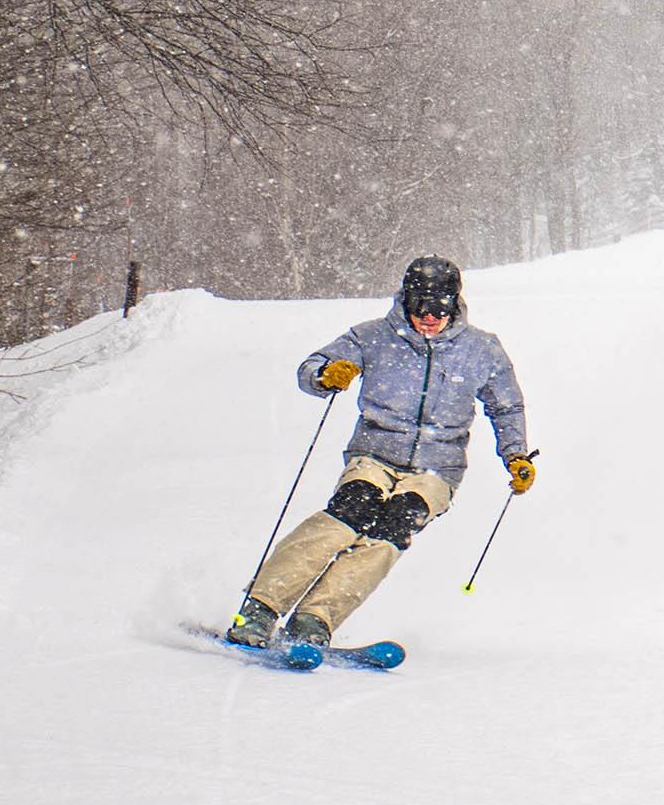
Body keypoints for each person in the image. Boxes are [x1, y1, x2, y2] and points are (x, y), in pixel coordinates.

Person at [227, 256, 533, 649]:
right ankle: (260, 608)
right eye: (421, 308)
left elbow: (506, 406)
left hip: (437, 468)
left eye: (440, 309)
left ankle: (314, 618)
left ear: (454, 304)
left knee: (394, 527)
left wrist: (516, 456)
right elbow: (312, 367)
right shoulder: (373, 337)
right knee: (352, 510)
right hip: (374, 456)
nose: (429, 318)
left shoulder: (481, 349)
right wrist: (326, 375)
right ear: (406, 301)